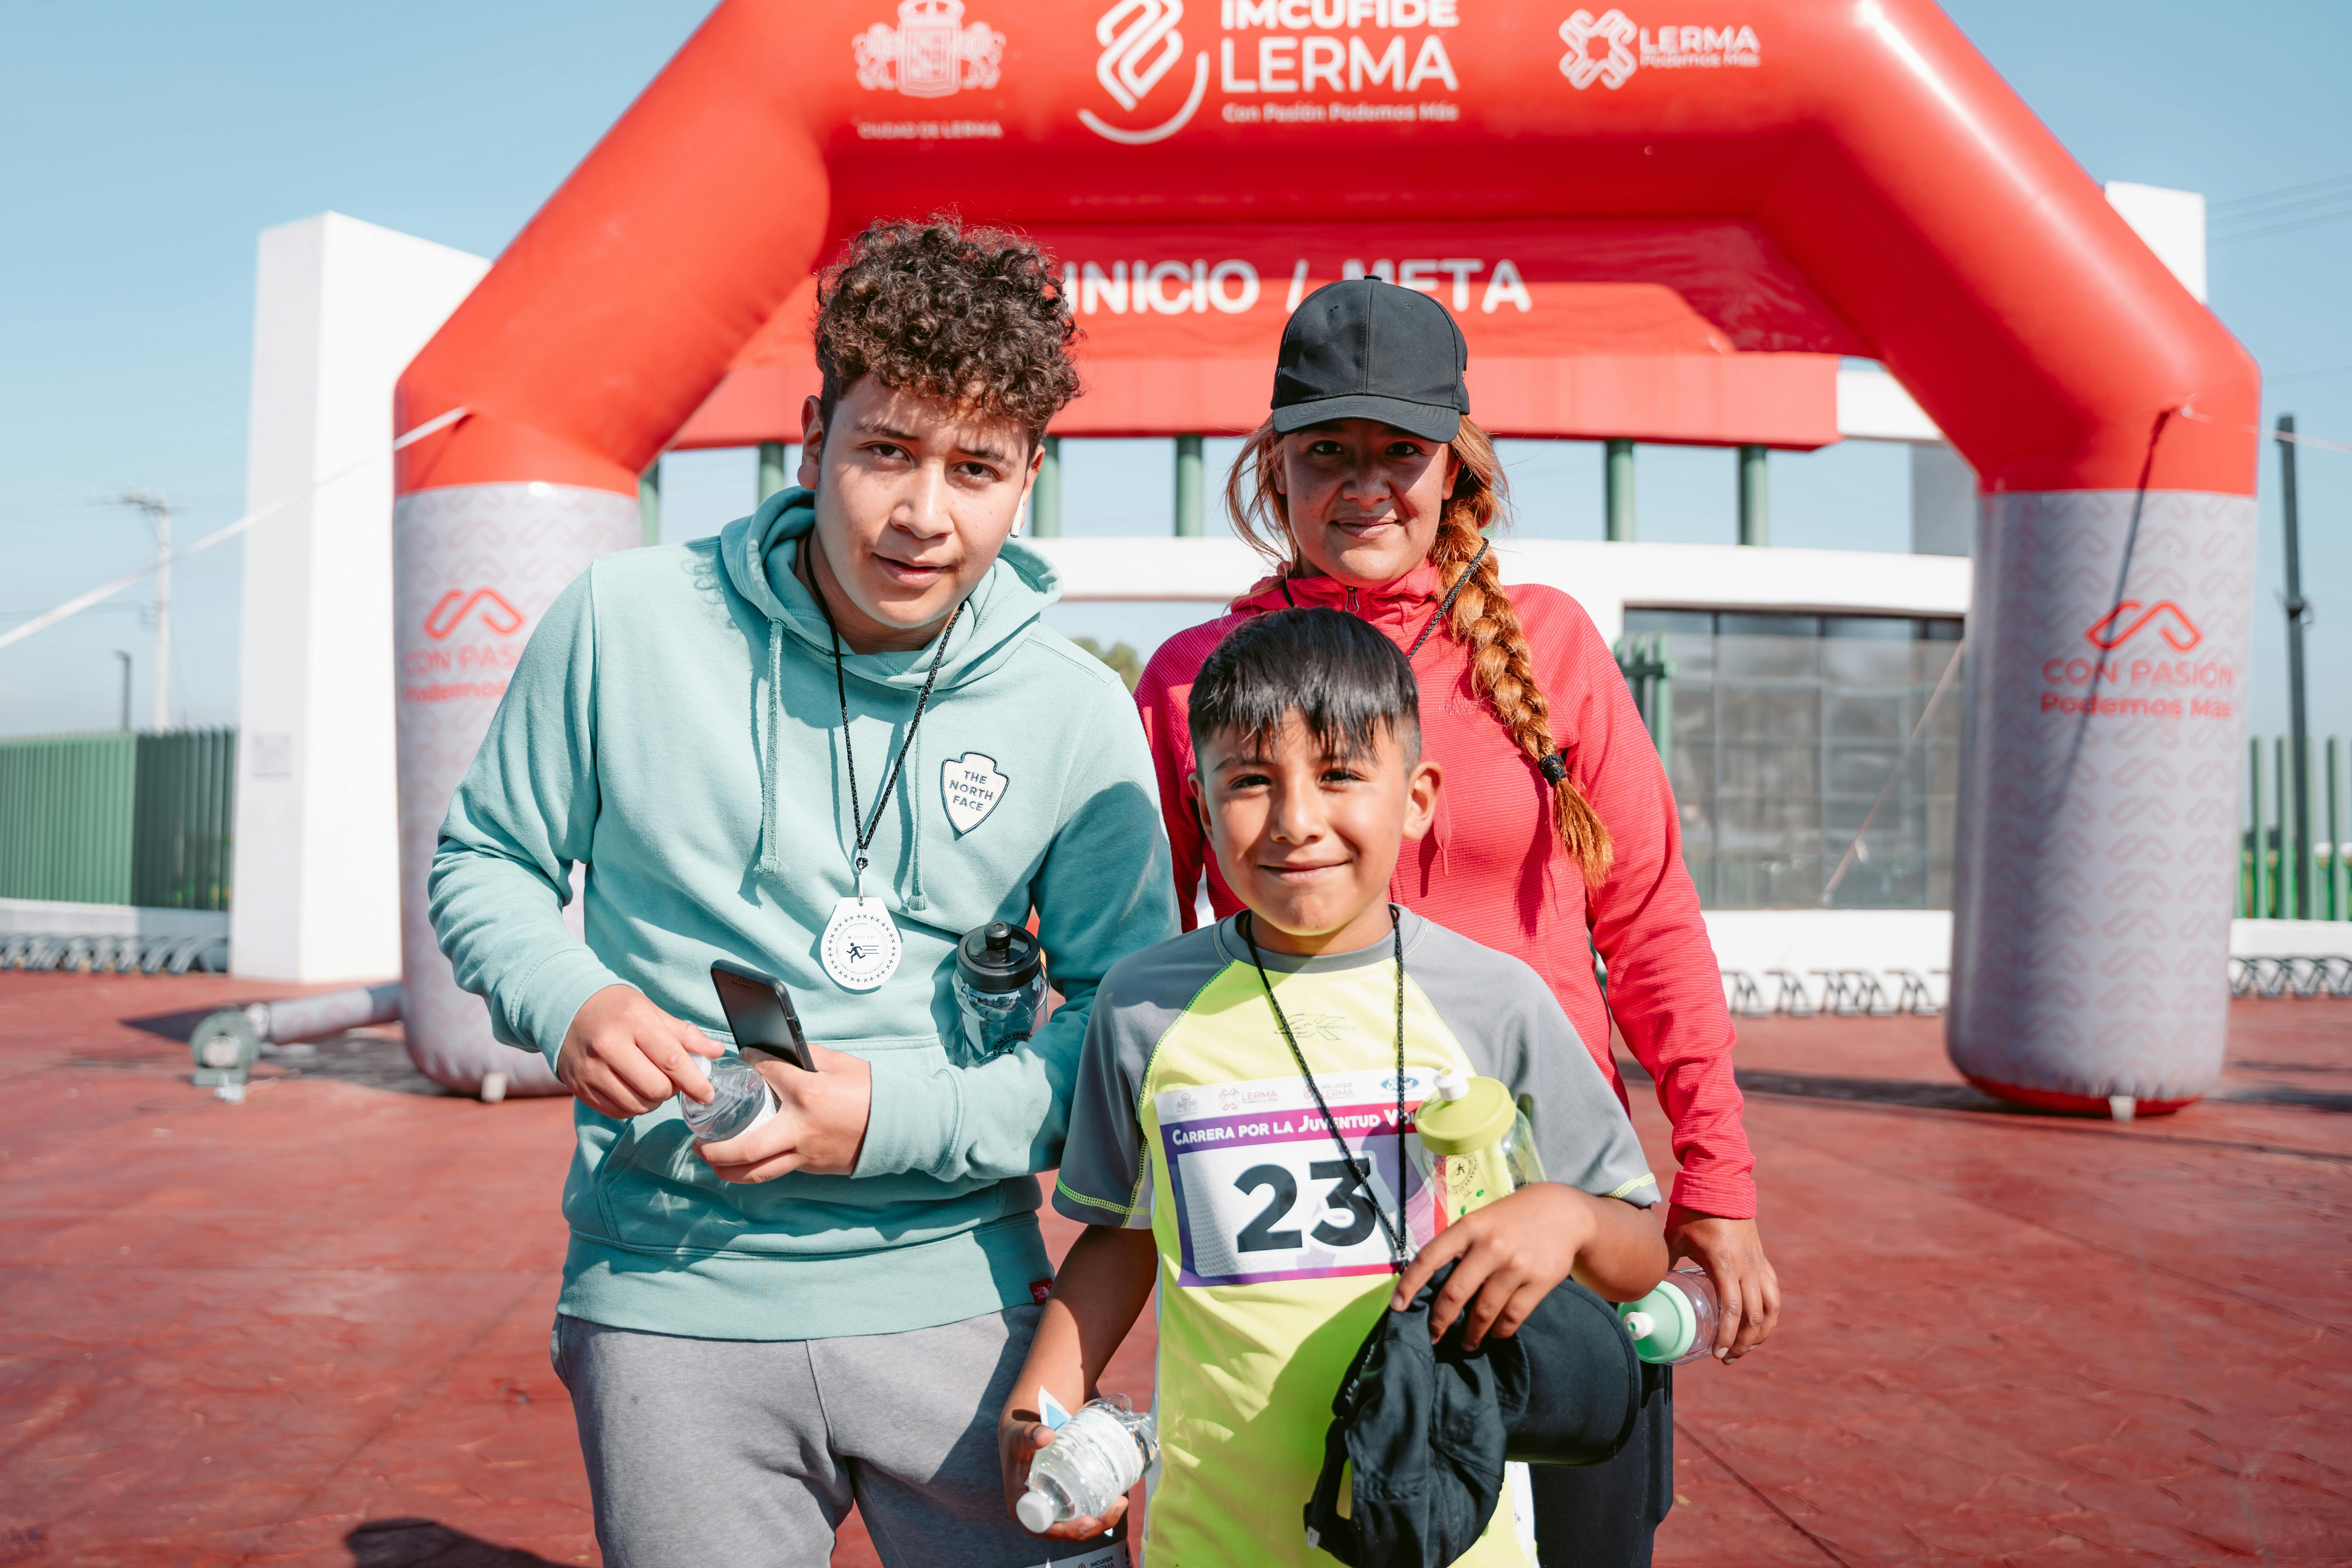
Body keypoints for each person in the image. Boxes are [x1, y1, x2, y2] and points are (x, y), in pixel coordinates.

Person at [429, 218, 1176, 1568]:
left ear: (1029, 480)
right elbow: (482, 861)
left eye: (975, 469)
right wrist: (568, 996)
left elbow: (1121, 1032)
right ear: (813, 434)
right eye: (885, 448)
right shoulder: (619, 622)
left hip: (968, 1298)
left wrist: (883, 1119)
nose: (922, 513)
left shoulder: (1077, 712)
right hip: (667, 1292)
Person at [1133, 278, 1781, 1564]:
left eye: (1399, 452)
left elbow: (1647, 918)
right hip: (1301, 1237)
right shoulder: (1195, 678)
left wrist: (1715, 1172)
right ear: (1276, 466)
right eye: (1328, 451)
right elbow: (1156, 958)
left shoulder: (1548, 645)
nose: (1364, 484)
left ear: (1455, 467)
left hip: (1554, 1215)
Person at [1001, 607, 1668, 1565]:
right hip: (1214, 1540)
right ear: (1198, 799)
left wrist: (1564, 1214)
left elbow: (1637, 1247)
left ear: (1417, 797)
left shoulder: (1498, 1002)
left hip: (1451, 1543)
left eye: (1340, 774)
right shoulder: (1143, 1005)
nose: (1295, 821)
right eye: (1250, 782)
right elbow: (1119, 1233)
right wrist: (1036, 1407)